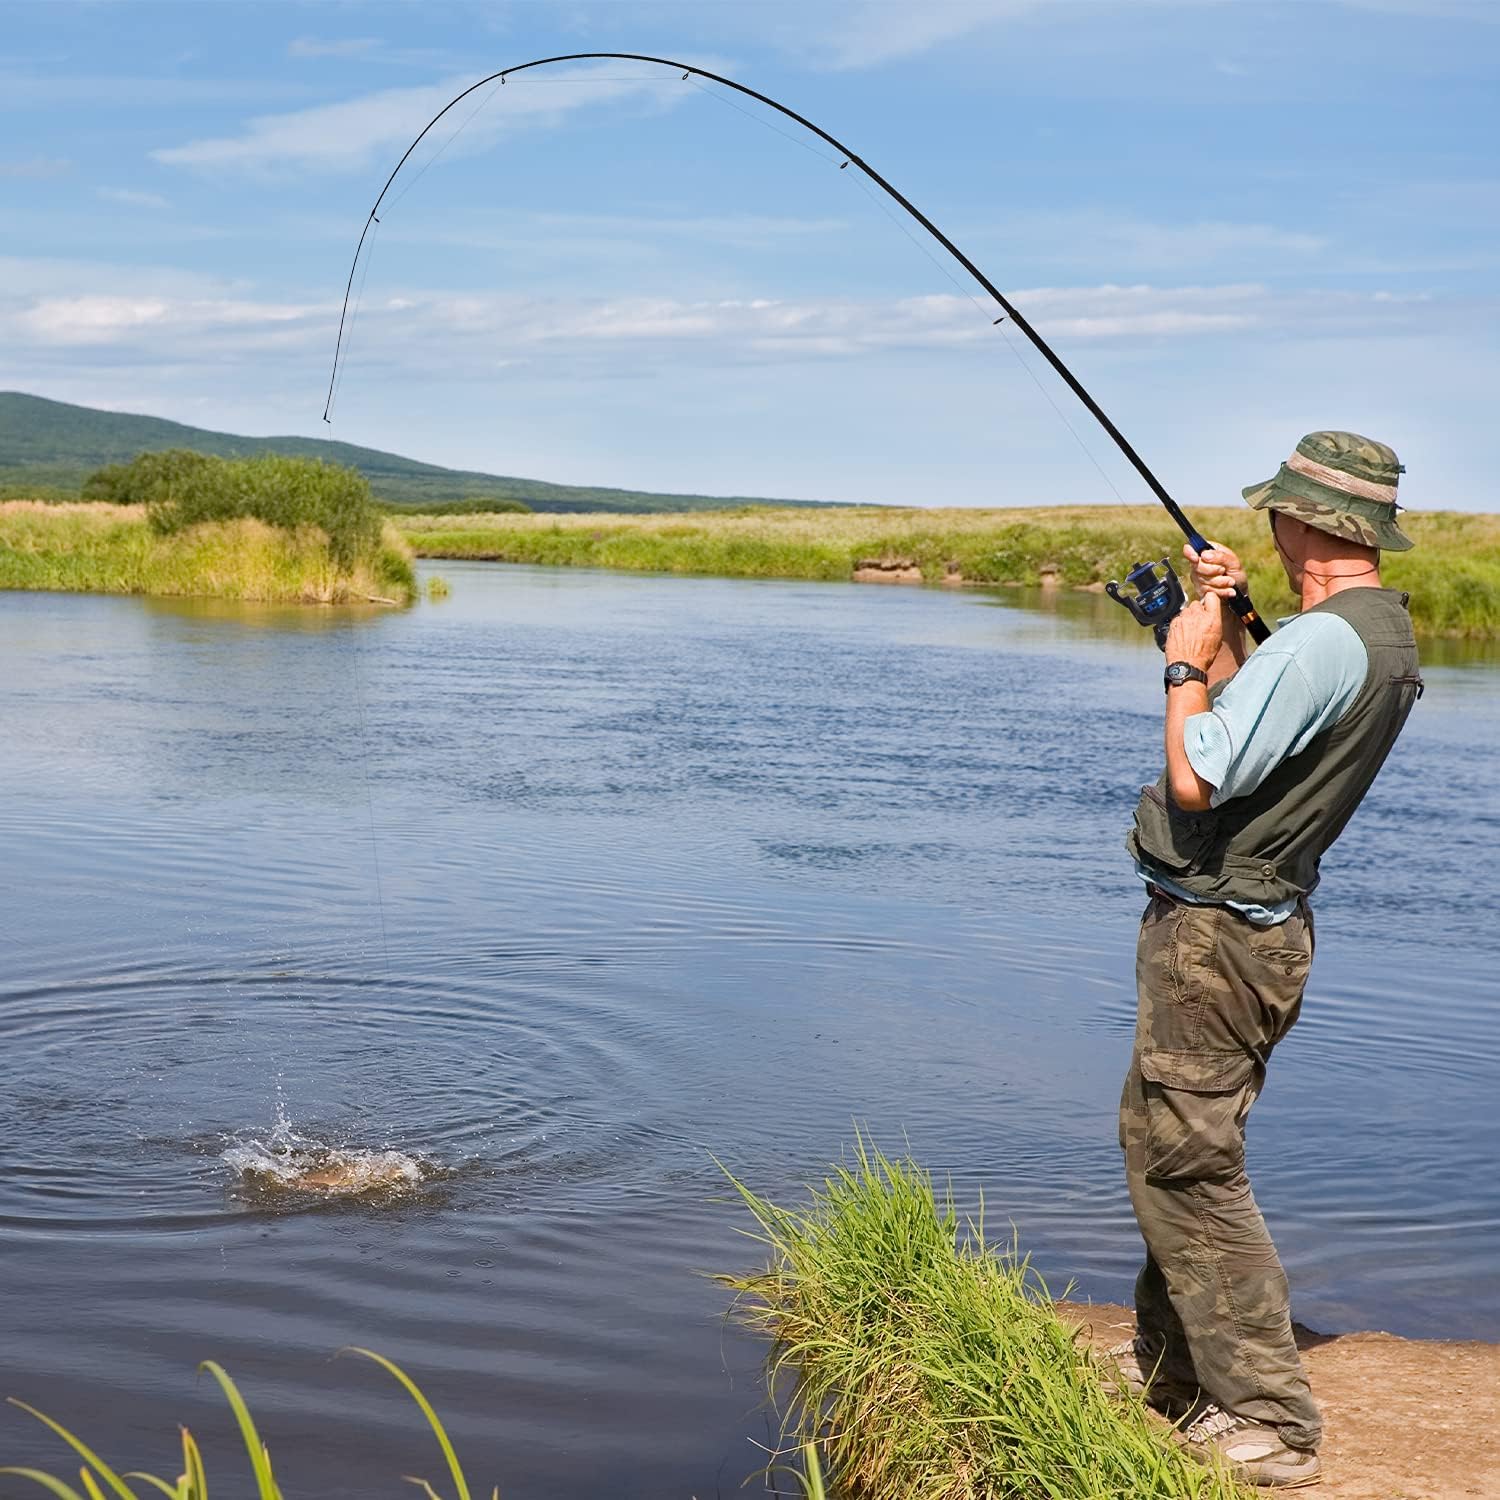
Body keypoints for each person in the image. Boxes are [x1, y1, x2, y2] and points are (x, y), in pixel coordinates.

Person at [1111, 431, 1423, 1488]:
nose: (1268, 522)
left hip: (1218, 939)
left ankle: (1269, 1419)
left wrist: (1186, 654)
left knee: (1193, 1161)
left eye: (1278, 510)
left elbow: (1202, 775)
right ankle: (1173, 1366)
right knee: (1163, 1138)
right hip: (1251, 929)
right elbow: (1261, 730)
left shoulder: (1325, 643)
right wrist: (1233, 621)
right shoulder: (1369, 631)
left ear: (1314, 524)